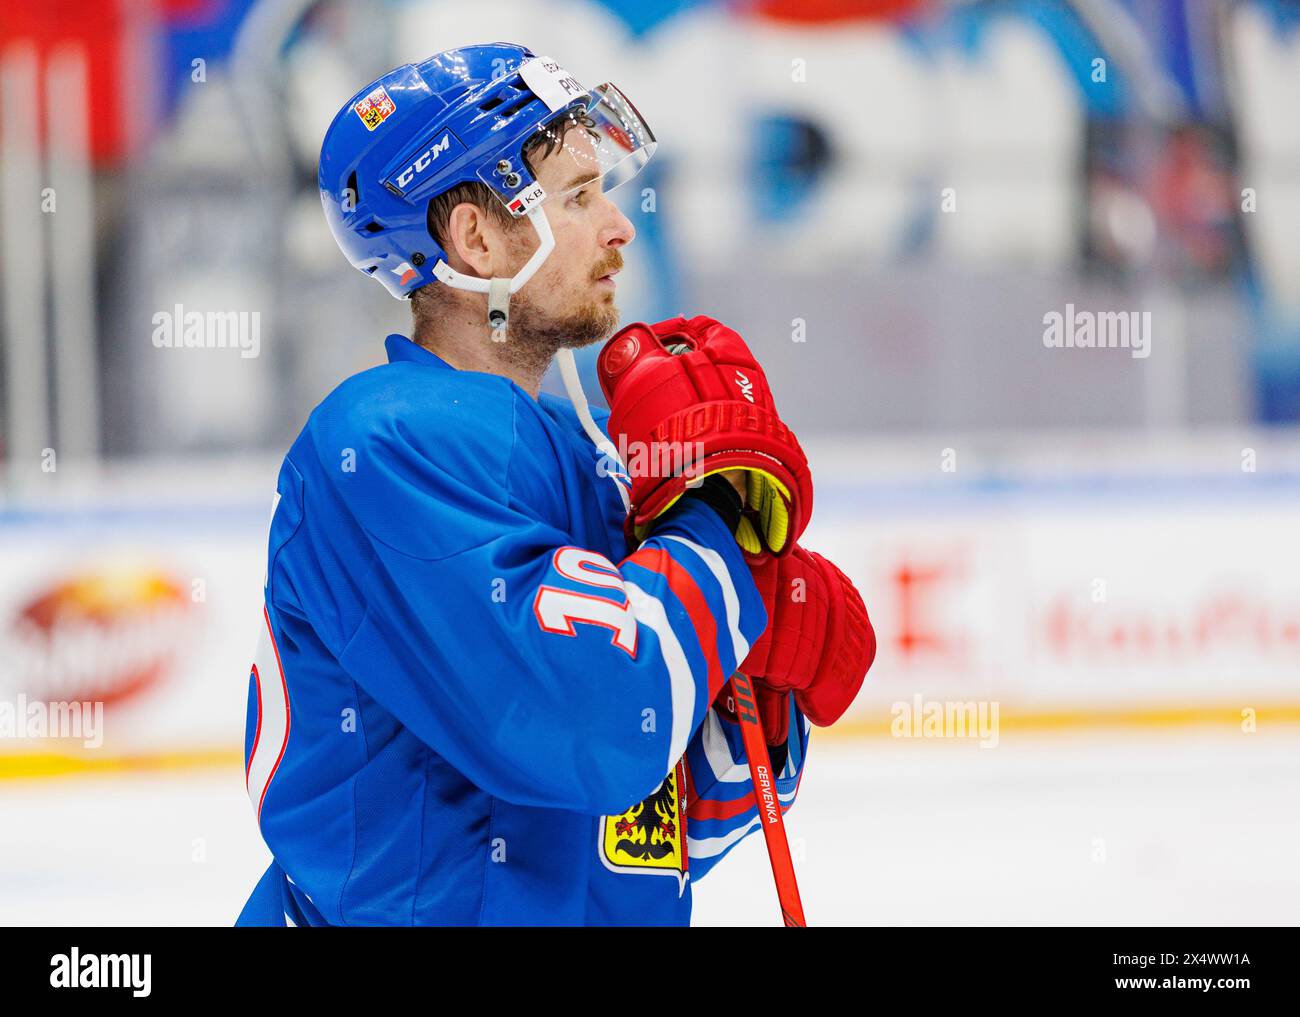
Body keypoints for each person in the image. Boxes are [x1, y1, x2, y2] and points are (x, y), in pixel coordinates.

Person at [237, 43, 874, 927]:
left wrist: (752, 710)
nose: (620, 227)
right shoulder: (384, 443)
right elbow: (602, 722)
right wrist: (715, 532)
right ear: (475, 239)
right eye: (579, 196)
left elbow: (646, 832)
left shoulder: (586, 462)